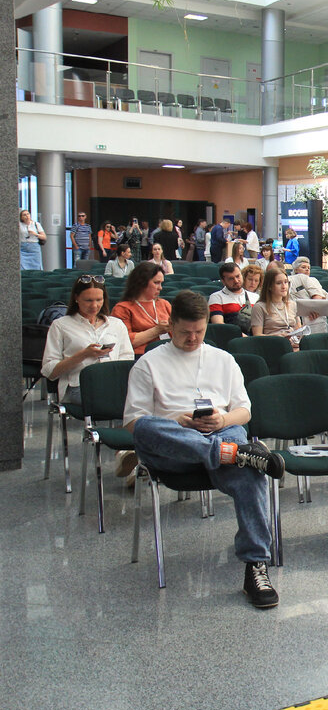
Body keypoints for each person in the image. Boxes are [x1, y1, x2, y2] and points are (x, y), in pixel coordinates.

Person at [122, 290, 283, 610]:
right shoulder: (148, 364)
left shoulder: (222, 360)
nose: (193, 338)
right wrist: (176, 420)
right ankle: (231, 453)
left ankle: (255, 567)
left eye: (199, 331)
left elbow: (244, 412)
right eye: (185, 332)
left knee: (248, 467)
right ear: (170, 326)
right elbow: (133, 422)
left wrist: (221, 419)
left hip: (221, 432)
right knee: (148, 428)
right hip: (173, 447)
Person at [43, 274, 137, 481]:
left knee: (146, 405)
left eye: (99, 300)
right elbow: (49, 370)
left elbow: (127, 359)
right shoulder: (61, 325)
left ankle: (132, 458)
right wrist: (82, 355)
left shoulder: (116, 325)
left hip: (114, 387)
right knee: (128, 406)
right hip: (77, 388)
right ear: (76, 298)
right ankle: (126, 454)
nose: (94, 305)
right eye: (88, 300)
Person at [111, 261, 172, 356]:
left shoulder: (164, 304)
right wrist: (157, 330)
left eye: (161, 283)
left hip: (168, 354)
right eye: (156, 283)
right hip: (140, 357)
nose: (160, 288)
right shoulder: (123, 308)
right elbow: (125, 342)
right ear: (142, 283)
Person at [250, 267, 303, 346]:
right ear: (270, 286)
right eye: (279, 283)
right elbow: (257, 335)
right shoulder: (259, 307)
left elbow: (298, 329)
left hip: (293, 345)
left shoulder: (293, 304)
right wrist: (276, 337)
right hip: (273, 345)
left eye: (286, 282)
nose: (284, 286)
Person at [208, 261, 259, 326]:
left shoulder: (255, 297)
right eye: (231, 279)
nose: (236, 281)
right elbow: (219, 326)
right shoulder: (216, 297)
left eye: (238, 276)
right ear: (223, 281)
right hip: (231, 335)